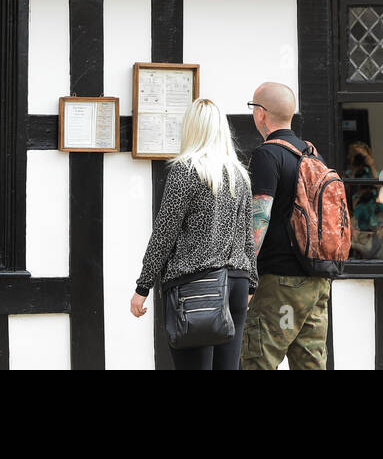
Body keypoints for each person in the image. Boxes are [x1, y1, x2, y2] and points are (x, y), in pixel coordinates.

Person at [130, 98, 257, 370]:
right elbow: (248, 236)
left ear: (191, 128)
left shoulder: (186, 171)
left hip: (196, 285)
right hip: (237, 282)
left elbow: (164, 233)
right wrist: (252, 283)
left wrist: (143, 286)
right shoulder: (239, 174)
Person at [240, 81, 331, 370]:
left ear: (261, 113)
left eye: (254, 107)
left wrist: (245, 274)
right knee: (310, 363)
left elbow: (260, 217)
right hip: (317, 280)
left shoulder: (267, 154)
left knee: (258, 360)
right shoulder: (312, 154)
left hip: (281, 282)